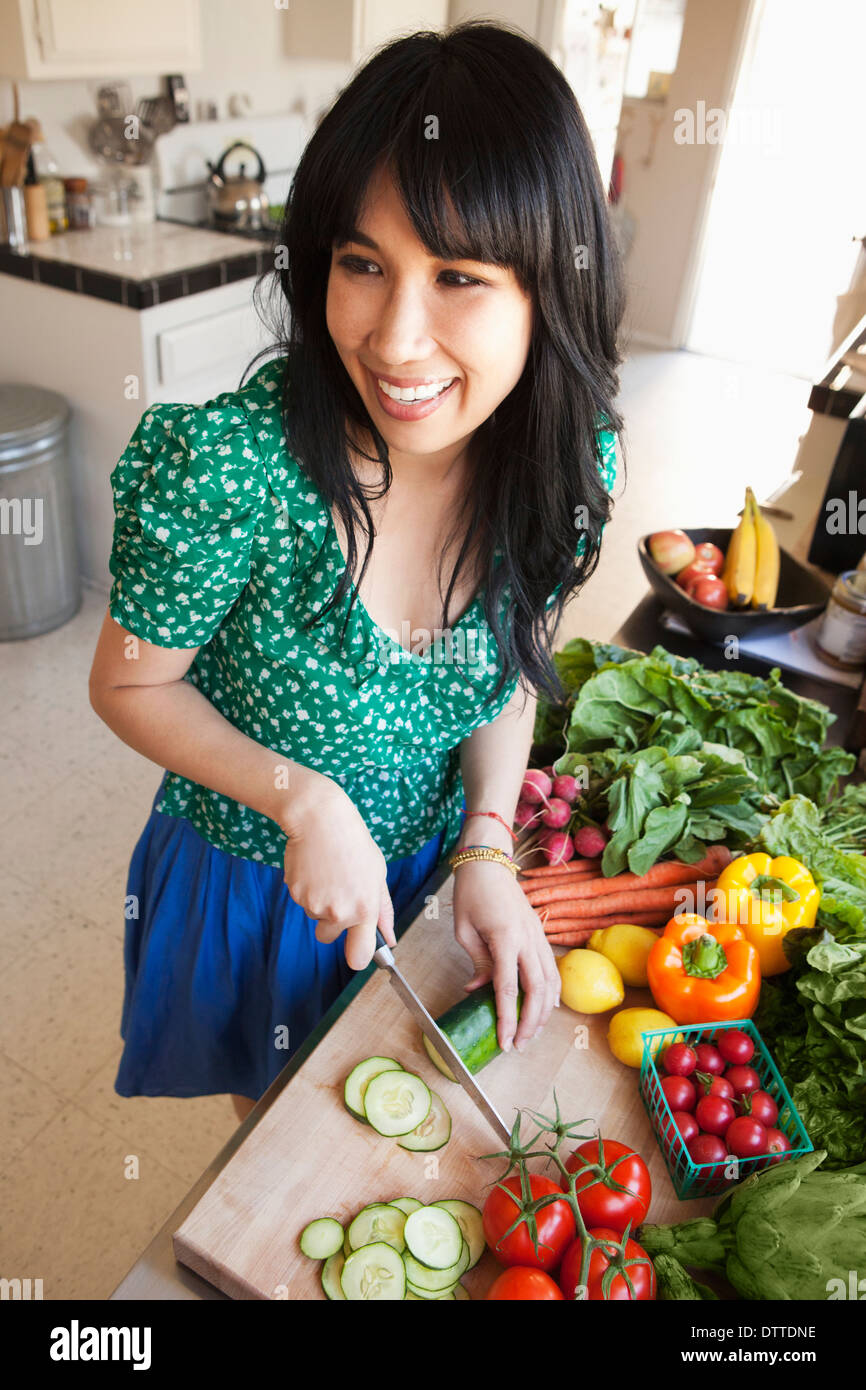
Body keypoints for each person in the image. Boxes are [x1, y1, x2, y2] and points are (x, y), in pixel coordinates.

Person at [88, 20, 624, 1121]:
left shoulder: (563, 465)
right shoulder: (231, 468)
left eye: (459, 277)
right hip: (253, 870)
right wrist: (303, 799)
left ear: (547, 294)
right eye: (361, 263)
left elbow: (509, 668)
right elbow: (128, 680)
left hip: (423, 858)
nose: (393, 338)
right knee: (276, 1128)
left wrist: (486, 843)